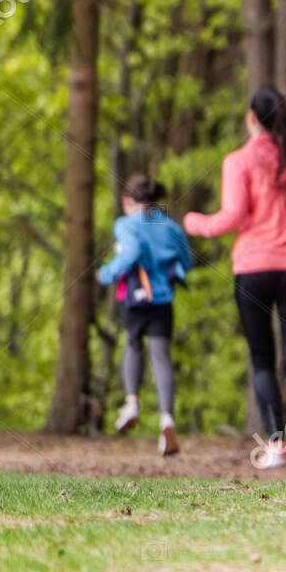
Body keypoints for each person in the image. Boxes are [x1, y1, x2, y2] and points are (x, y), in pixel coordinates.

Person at [184, 89, 286, 470]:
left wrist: (195, 222)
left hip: (253, 269)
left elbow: (233, 215)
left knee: (263, 360)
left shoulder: (238, 161)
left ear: (252, 117)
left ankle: (276, 446)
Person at [99, 173, 195, 457]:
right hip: (162, 298)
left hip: (133, 297)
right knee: (161, 356)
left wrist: (106, 272)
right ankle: (167, 419)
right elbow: (187, 262)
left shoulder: (126, 224)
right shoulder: (171, 227)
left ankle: (132, 403)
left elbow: (130, 253)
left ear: (127, 200)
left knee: (133, 344)